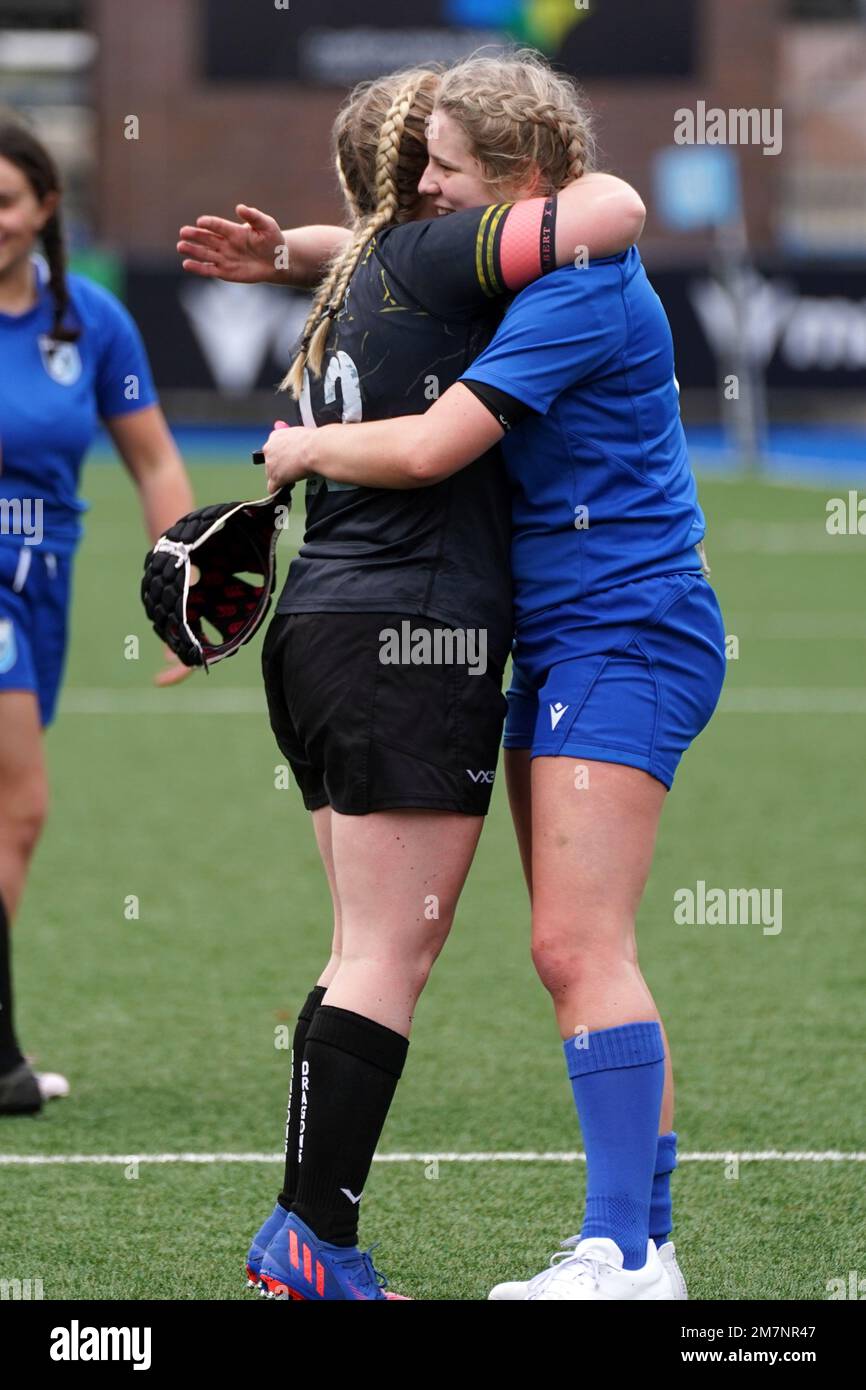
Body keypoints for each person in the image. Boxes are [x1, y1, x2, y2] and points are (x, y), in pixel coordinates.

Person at [262, 52, 727, 1301]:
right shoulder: (523, 262)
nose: (421, 185)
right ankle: (636, 1248)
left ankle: (625, 1254)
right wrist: (298, 250)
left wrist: (300, 448)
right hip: (567, 632)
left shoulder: (579, 283)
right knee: (571, 944)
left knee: (579, 943)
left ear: (522, 180)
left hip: (624, 628)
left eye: (445, 167)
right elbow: (400, 254)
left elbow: (429, 447)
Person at [0, 117, 194, 1116]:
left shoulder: (93, 324)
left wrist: (182, 594)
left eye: (3, 201)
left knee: (13, 819)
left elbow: (153, 459)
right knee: (19, 804)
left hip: (42, 592)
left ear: (43, 210)